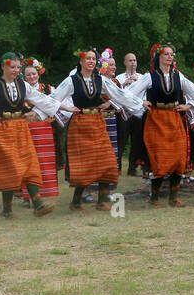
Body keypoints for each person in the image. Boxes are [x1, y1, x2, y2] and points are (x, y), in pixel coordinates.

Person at [0, 53, 62, 218]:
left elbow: (44, 100)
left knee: (30, 163)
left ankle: (37, 204)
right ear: (3, 67)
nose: (16, 70)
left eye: (18, 67)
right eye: (12, 67)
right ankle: (8, 210)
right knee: (10, 167)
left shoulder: (23, 85)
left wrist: (36, 112)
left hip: (21, 129)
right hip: (3, 130)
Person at [120, 43, 194, 207]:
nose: (170, 57)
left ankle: (174, 197)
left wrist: (191, 106)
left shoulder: (178, 76)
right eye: (166, 54)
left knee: (178, 157)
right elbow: (128, 93)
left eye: (172, 54)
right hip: (156, 119)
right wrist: (140, 102)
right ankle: (154, 198)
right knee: (159, 158)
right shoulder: (150, 77)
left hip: (174, 118)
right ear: (159, 57)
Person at [54, 48, 141, 212]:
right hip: (80, 124)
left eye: (93, 59)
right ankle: (76, 202)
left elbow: (120, 94)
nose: (91, 61)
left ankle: (101, 201)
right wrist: (64, 107)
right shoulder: (72, 81)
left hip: (97, 123)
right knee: (84, 165)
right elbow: (53, 98)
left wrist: (139, 103)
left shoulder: (101, 80)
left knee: (107, 161)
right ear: (81, 61)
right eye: (88, 58)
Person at [21, 58, 61, 201]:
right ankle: (28, 195)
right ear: (24, 77)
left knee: (45, 162)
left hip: (45, 130)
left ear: (38, 74)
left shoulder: (49, 89)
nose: (31, 77)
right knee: (29, 162)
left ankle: (47, 191)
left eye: (33, 74)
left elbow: (57, 106)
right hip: (27, 131)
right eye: (28, 75)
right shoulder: (21, 91)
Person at [117, 52, 146, 176]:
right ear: (125, 62)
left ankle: (132, 168)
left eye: (134, 60)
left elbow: (146, 95)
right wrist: (124, 84)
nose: (133, 63)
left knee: (137, 142)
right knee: (121, 141)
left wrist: (138, 82)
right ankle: (116, 168)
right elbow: (115, 94)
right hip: (124, 113)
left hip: (138, 113)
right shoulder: (119, 78)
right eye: (130, 60)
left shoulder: (142, 77)